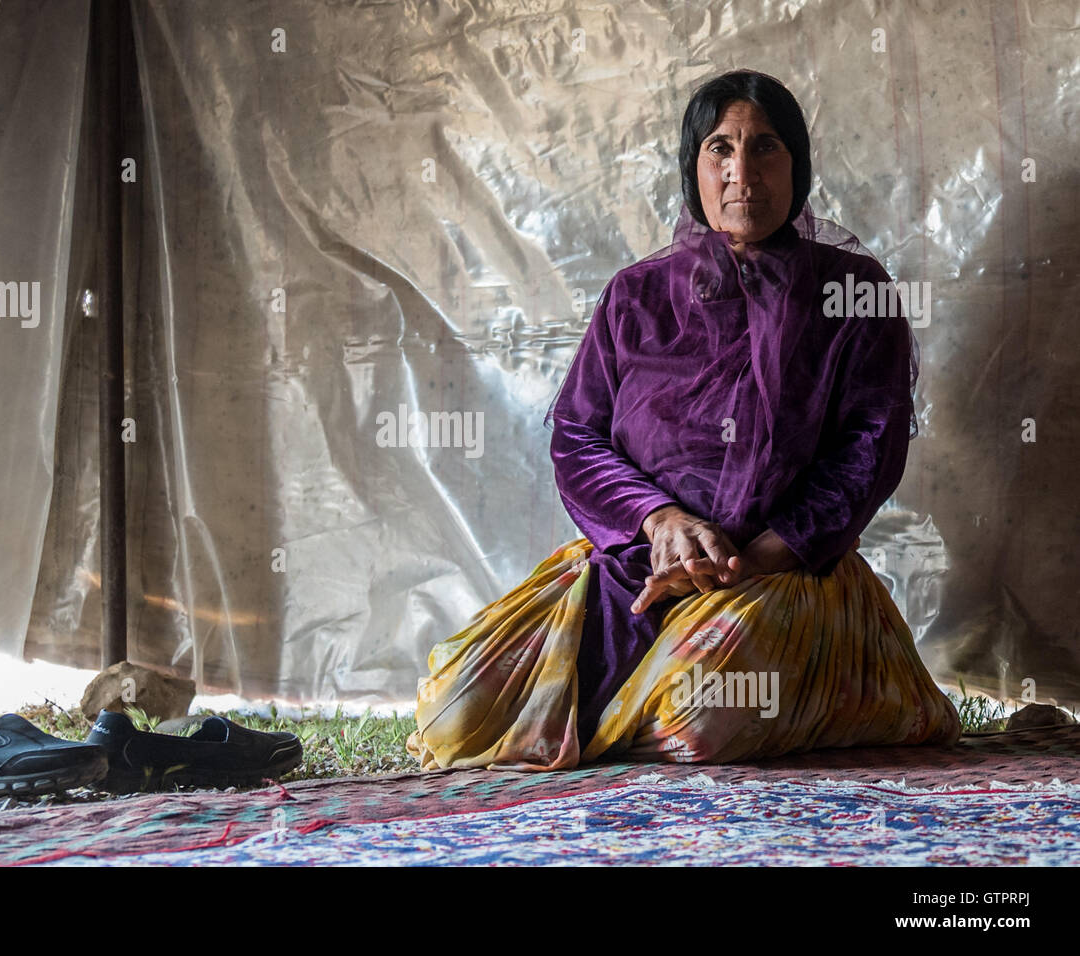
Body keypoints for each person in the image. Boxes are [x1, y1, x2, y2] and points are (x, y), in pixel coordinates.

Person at [406, 69, 960, 771]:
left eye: (765, 148)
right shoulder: (637, 295)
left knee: (700, 719)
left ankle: (801, 691)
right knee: (459, 711)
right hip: (643, 566)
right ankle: (629, 697)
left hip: (783, 574)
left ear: (798, 165)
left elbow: (867, 452)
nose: (742, 173)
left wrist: (751, 559)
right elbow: (578, 437)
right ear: (692, 167)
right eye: (719, 149)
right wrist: (660, 523)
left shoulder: (852, 292)